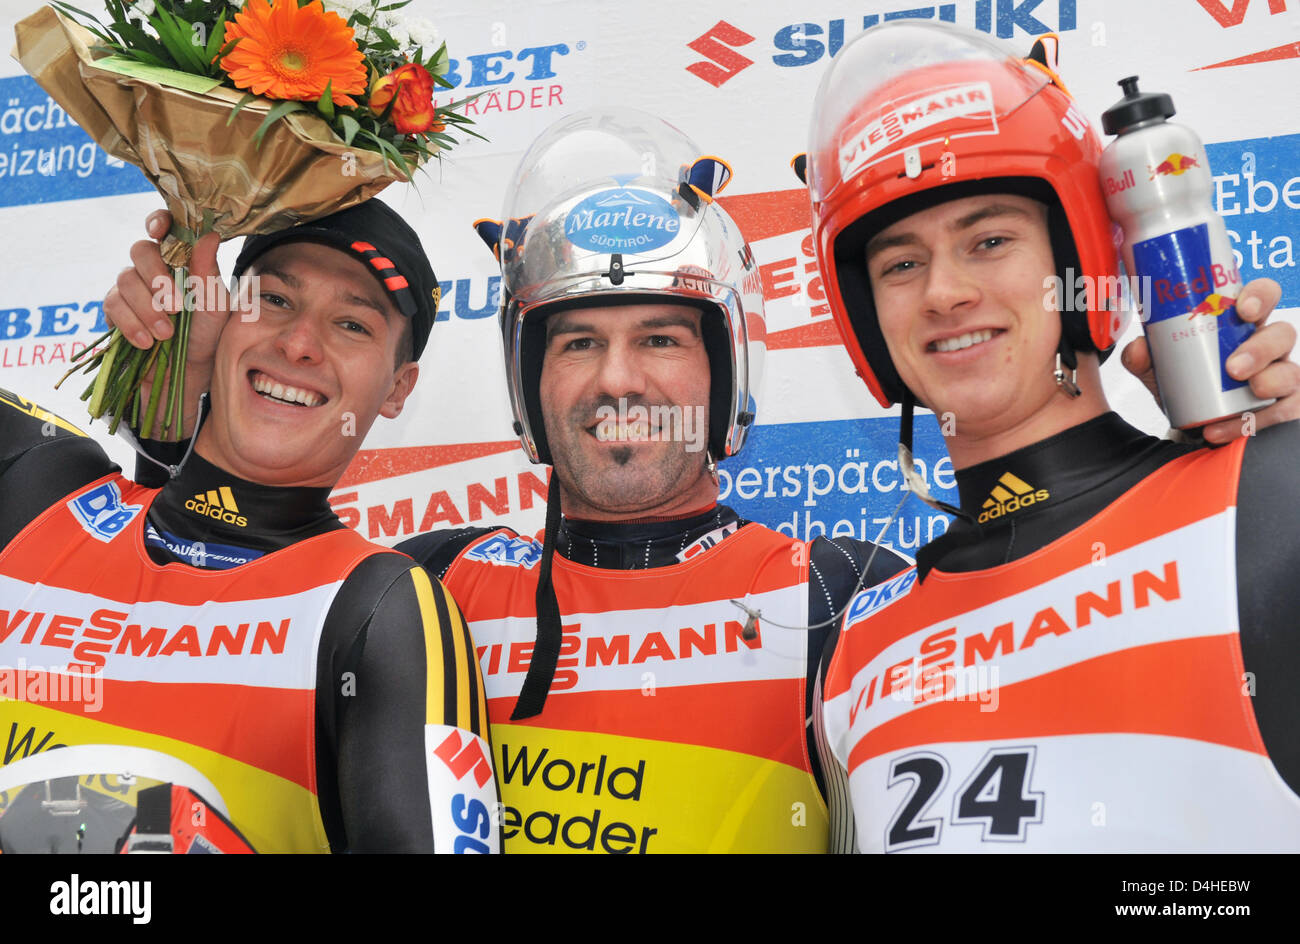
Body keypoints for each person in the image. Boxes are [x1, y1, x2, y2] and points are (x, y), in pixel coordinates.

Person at [108, 109, 1295, 854]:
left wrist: (1246, 446)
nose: (615, 376)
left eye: (661, 337)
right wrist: (170, 394)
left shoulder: (853, 601)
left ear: (729, 370)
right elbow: (196, 578)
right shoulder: (415, 586)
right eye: (575, 341)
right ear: (529, 386)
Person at [807, 21, 1300, 851]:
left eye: (990, 240)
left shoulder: (1268, 506)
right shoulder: (858, 644)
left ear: (1079, 264)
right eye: (900, 264)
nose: (944, 292)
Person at [0, 200, 497, 854]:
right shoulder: (40, 485)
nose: (298, 344)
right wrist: (164, 410)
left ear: (398, 388)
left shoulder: (376, 608)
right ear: (219, 320)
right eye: (274, 300)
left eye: (351, 324)